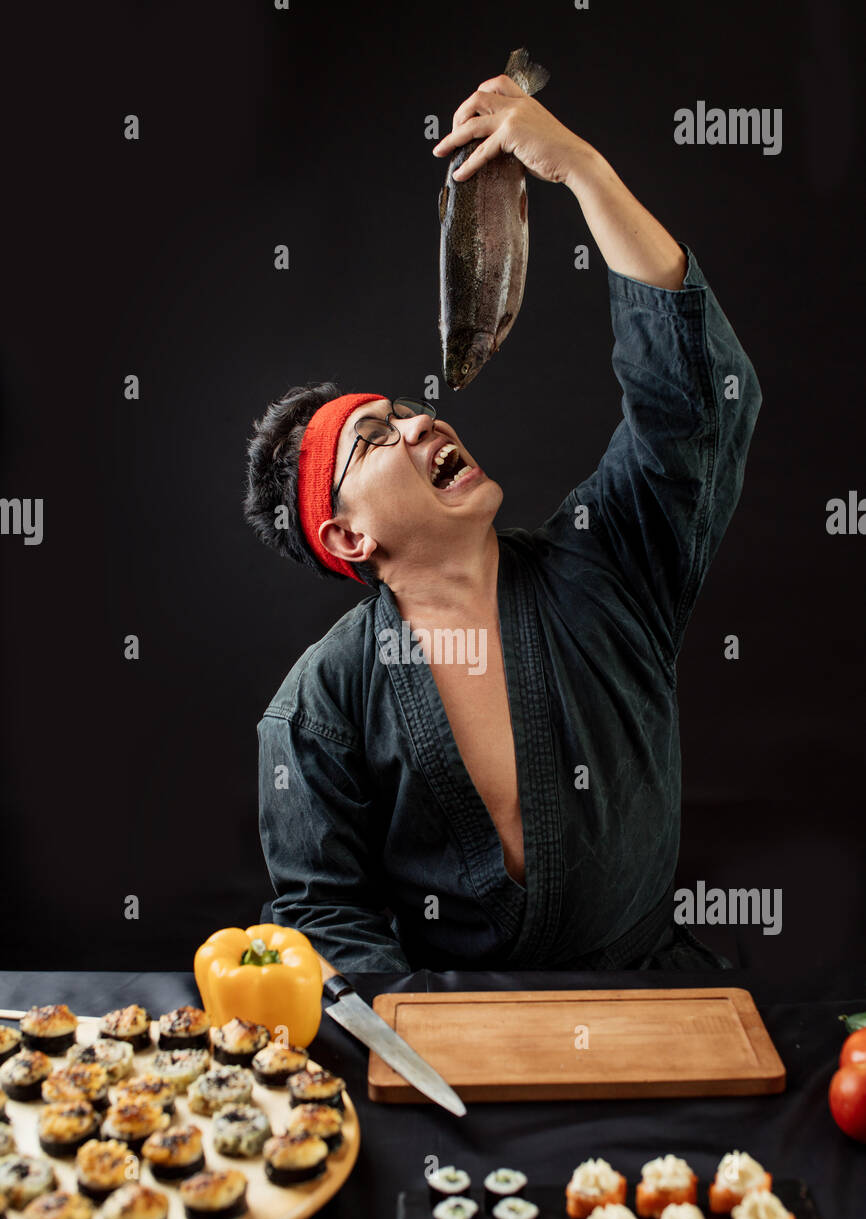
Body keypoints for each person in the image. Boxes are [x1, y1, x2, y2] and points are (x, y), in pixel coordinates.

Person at [244, 70, 761, 972]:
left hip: (660, 1019)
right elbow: (330, 930)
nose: (420, 421)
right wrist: (447, 1061)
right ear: (348, 538)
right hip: (457, 1062)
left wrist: (584, 170)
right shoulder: (318, 708)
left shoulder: (608, 562)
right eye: (376, 439)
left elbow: (697, 407)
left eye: (408, 408)